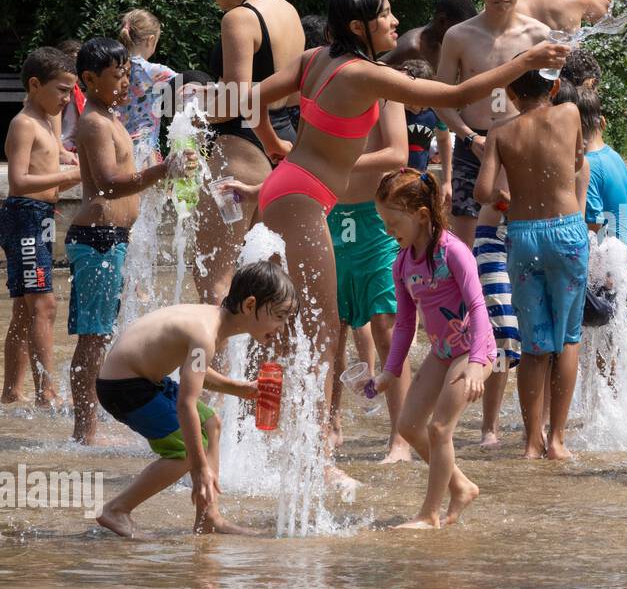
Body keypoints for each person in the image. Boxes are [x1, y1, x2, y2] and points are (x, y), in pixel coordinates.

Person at [223, 0, 567, 481]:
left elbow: (249, 102)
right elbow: (456, 93)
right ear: (359, 26)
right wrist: (525, 59)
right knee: (318, 336)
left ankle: (250, 443)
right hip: (303, 199)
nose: (395, 21)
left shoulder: (314, 59)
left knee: (276, 330)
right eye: (385, 15)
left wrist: (280, 152)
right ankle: (314, 461)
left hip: (286, 189)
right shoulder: (364, 74)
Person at [437, 0, 552, 446]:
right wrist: (468, 137)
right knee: (470, 278)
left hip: (519, 151)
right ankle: (462, 408)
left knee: (514, 280)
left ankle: (503, 421)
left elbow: (554, 103)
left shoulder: (537, 35)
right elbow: (442, 97)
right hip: (473, 147)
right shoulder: (460, 36)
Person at [94, 261, 295, 538]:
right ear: (250, 305)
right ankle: (117, 509)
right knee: (188, 452)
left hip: (144, 379)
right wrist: (200, 468)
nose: (282, 327)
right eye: (280, 316)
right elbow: (186, 403)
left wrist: (239, 389)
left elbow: (195, 370)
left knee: (211, 422)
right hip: (124, 388)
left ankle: (208, 518)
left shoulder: (211, 322)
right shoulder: (205, 334)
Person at [69, 37, 199, 445]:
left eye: (127, 74)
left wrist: (166, 168)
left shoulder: (111, 117)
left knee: (101, 333)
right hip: (97, 239)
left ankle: (90, 424)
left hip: (111, 238)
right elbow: (107, 186)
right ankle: (84, 432)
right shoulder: (93, 122)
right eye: (116, 76)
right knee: (93, 337)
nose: (126, 83)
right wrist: (163, 172)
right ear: (89, 79)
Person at [475, 64, 587, 461]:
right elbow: (577, 161)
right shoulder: (570, 113)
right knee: (568, 339)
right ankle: (557, 440)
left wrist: (511, 197)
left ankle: (529, 443)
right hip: (567, 232)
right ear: (555, 85)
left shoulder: (501, 132)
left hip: (523, 237)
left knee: (534, 344)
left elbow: (484, 190)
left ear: (509, 89)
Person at [373, 169, 493, 528]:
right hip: (442, 353)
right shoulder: (402, 263)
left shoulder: (454, 252)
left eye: (393, 221)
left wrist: (474, 364)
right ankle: (460, 486)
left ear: (421, 215)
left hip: (473, 349)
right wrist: (390, 372)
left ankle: (429, 514)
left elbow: (478, 306)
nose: (388, 230)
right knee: (409, 426)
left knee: (440, 429)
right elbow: (406, 324)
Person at [193, 0, 306, 306]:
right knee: (270, 279)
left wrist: (191, 111)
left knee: (214, 274)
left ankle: (215, 366)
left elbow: (237, 99)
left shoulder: (238, 17)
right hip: (283, 143)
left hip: (241, 148)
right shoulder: (287, 9)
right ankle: (273, 365)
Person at [323, 95, 410, 463]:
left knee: (387, 326)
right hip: (329, 210)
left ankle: (400, 438)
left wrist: (344, 160)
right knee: (331, 328)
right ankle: (331, 423)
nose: (394, 30)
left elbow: (397, 154)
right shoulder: (321, 86)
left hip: (376, 221)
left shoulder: (385, 90)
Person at [2, 48, 82, 406]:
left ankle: (10, 392)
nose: (68, 99)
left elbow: (49, 158)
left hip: (40, 217)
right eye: (63, 90)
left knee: (24, 308)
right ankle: (46, 392)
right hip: (25, 216)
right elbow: (18, 179)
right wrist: (76, 173)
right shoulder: (23, 123)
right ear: (35, 85)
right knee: (44, 305)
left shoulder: (47, 120)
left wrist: (67, 159)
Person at [574, 85, 627, 290]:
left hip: (617, 260)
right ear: (603, 122)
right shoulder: (614, 156)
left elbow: (594, 225)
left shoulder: (587, 166)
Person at [117, 9, 177, 159]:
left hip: (116, 142)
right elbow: (186, 83)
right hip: (143, 147)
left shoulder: (113, 67)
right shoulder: (153, 71)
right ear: (151, 40)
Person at [383, 0, 477, 71]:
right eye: (460, 32)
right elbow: (374, 69)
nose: (463, 40)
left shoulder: (443, 44)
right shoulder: (412, 46)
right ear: (442, 21)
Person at [396, 59, 451, 184]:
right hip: (392, 178)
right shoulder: (391, 108)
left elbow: (443, 139)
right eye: (409, 103)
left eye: (421, 105)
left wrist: (447, 181)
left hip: (419, 178)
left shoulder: (435, 110)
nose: (415, 109)